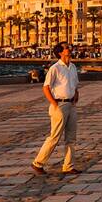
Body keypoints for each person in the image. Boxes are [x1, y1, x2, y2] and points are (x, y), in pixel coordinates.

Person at [32, 42, 81, 175]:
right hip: (59, 104)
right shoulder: (55, 68)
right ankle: (38, 163)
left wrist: (76, 94)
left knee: (71, 137)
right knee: (55, 136)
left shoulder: (73, 67)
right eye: (66, 48)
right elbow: (46, 87)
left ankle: (68, 166)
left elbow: (75, 84)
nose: (69, 50)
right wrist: (54, 104)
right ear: (60, 52)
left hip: (71, 104)